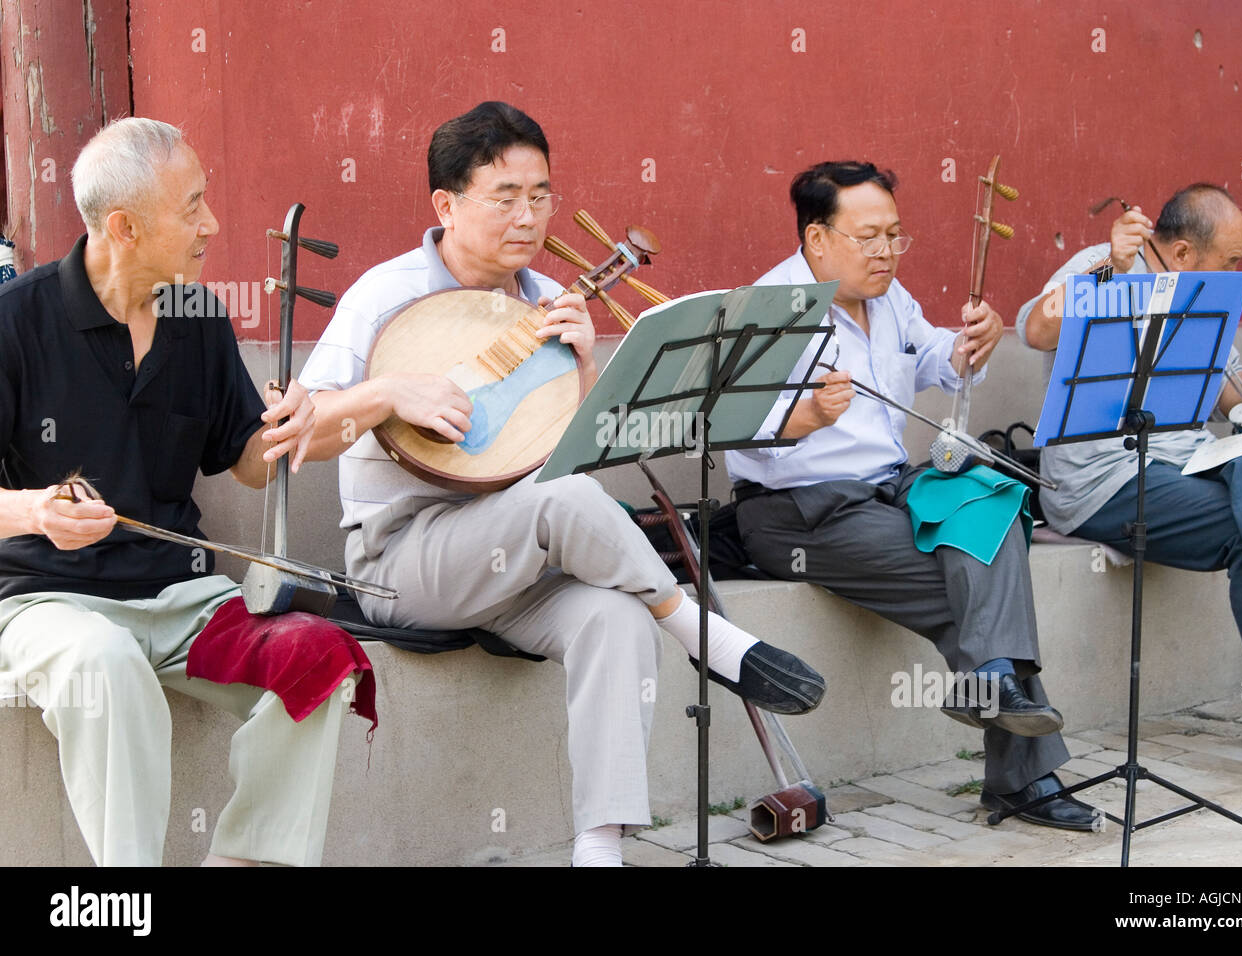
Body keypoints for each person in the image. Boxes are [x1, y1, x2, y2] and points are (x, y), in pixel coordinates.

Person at [297, 101, 825, 867]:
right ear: (446, 204)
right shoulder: (385, 296)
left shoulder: (547, 301)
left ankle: (598, 846)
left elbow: (563, 459)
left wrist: (583, 372)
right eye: (504, 196)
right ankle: (702, 634)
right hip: (406, 559)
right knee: (571, 505)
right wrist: (387, 394)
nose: (528, 216)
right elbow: (296, 437)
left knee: (613, 618)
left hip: (522, 564)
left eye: (541, 195)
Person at [0, 118, 364, 866]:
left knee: (318, 655)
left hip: (179, 597)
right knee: (106, 663)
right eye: (191, 205)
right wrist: (36, 509)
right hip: (46, 600)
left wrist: (303, 422)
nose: (212, 224)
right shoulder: (16, 321)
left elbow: (250, 462)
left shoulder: (197, 318)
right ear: (125, 227)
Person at [725, 160, 1090, 830]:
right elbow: (733, 433)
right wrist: (803, 418)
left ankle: (996, 692)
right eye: (869, 237)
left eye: (895, 235)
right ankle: (1022, 778)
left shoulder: (889, 299)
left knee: (997, 501)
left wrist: (973, 344)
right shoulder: (770, 311)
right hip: (799, 512)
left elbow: (935, 360)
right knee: (974, 593)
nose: (887, 252)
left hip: (888, 489)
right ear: (816, 238)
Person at [1017, 183, 1242, 755]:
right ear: (1184, 254)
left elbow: (1225, 383)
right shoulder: (1099, 266)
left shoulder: (1199, 290)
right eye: (1232, 262)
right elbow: (1034, 330)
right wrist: (1108, 268)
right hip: (1104, 477)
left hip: (1186, 462)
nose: (1236, 273)